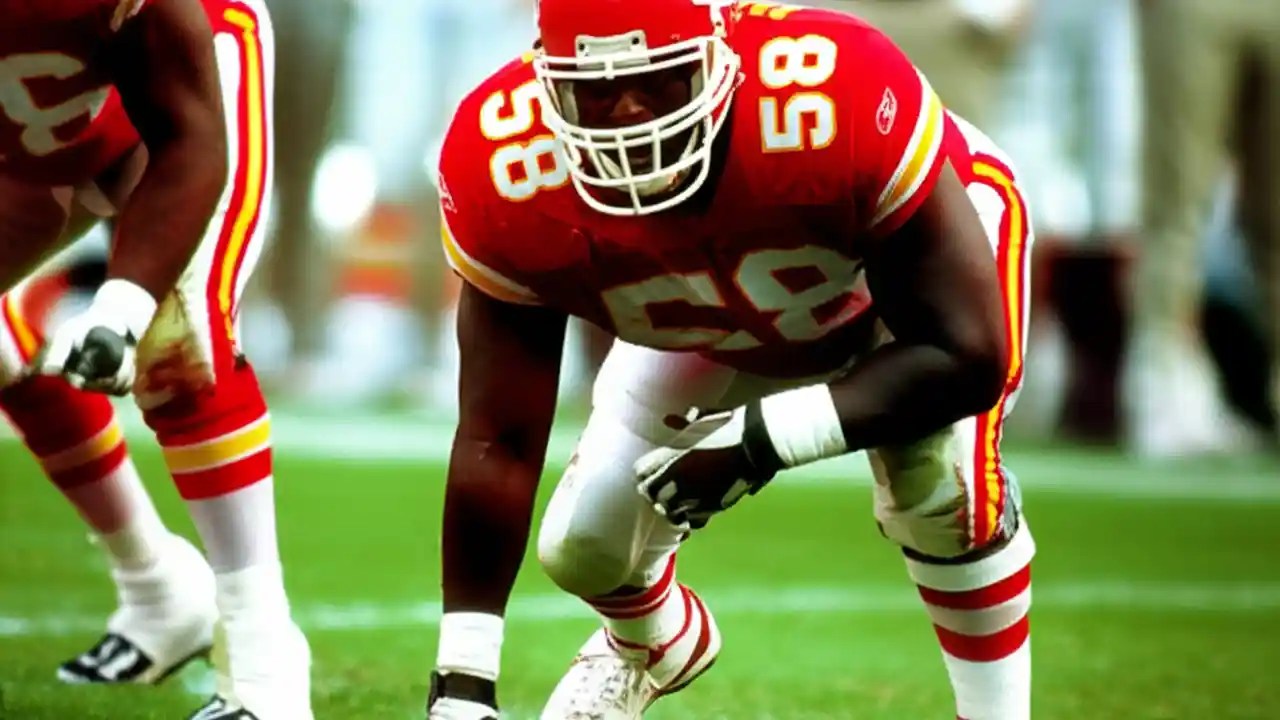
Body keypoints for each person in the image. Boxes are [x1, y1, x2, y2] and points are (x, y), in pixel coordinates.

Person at [428, 1, 1037, 719]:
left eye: (662, 82)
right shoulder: (502, 162)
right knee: (584, 546)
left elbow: (963, 354)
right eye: (596, 91)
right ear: (546, 83)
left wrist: (759, 442)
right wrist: (462, 690)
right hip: (717, 314)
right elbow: (497, 435)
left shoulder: (829, 87)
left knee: (939, 484)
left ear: (718, 60)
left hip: (882, 288)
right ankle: (652, 643)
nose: (631, 117)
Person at [0, 1, 310, 718]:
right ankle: (157, 585)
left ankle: (267, 674)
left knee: (180, 336)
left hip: (179, 87)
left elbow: (188, 142)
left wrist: (122, 306)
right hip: (33, 131)